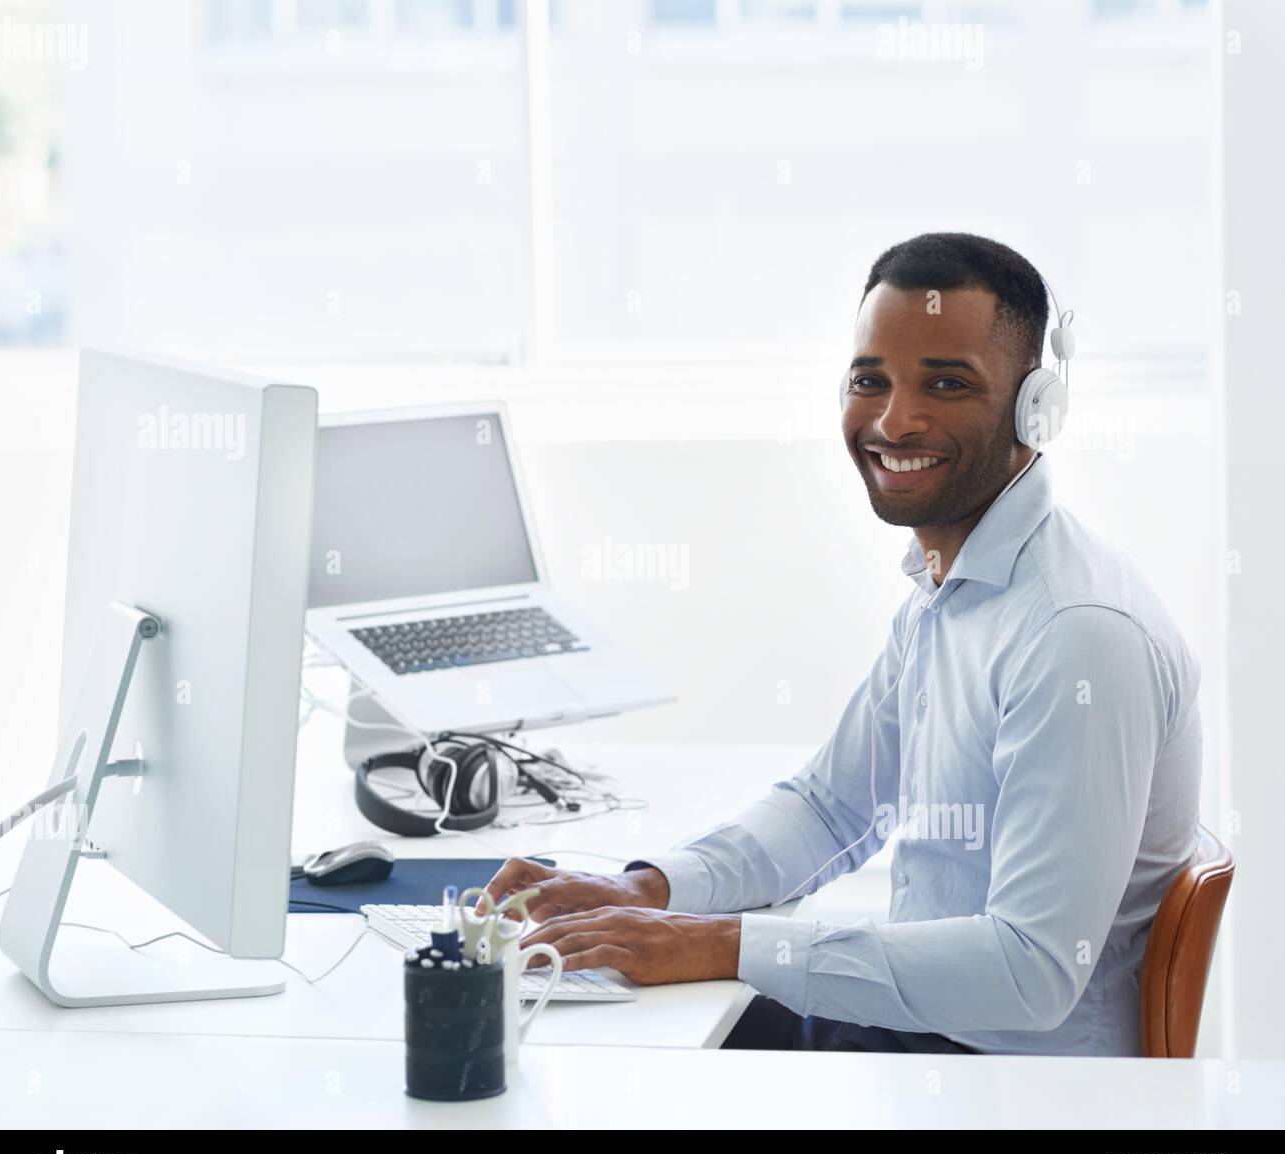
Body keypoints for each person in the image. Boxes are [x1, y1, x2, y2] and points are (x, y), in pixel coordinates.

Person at [484, 232, 1201, 1056]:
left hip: (998, 1083)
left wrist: (717, 944)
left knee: (614, 1059)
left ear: (1036, 409)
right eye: (872, 380)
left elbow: (1030, 970)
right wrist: (645, 890)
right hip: (927, 1039)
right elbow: (835, 809)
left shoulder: (1077, 636)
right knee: (595, 1028)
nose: (896, 419)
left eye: (947, 383)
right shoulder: (950, 588)